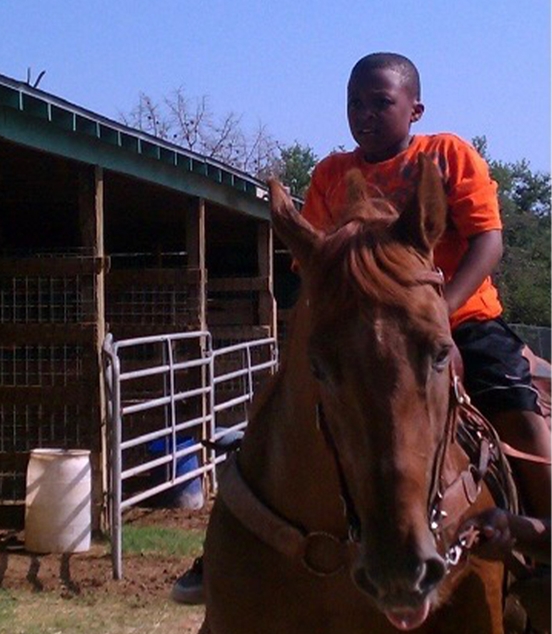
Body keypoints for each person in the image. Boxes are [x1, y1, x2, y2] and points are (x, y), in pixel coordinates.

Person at [171, 52, 552, 606]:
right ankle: (233, 543)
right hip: (362, 336)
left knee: (516, 403)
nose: (365, 115)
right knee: (281, 409)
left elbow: (487, 240)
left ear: (415, 108)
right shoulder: (330, 175)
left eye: (381, 103)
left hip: (459, 320)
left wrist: (439, 311)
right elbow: (323, 268)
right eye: (355, 104)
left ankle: (543, 541)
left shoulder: (446, 155)